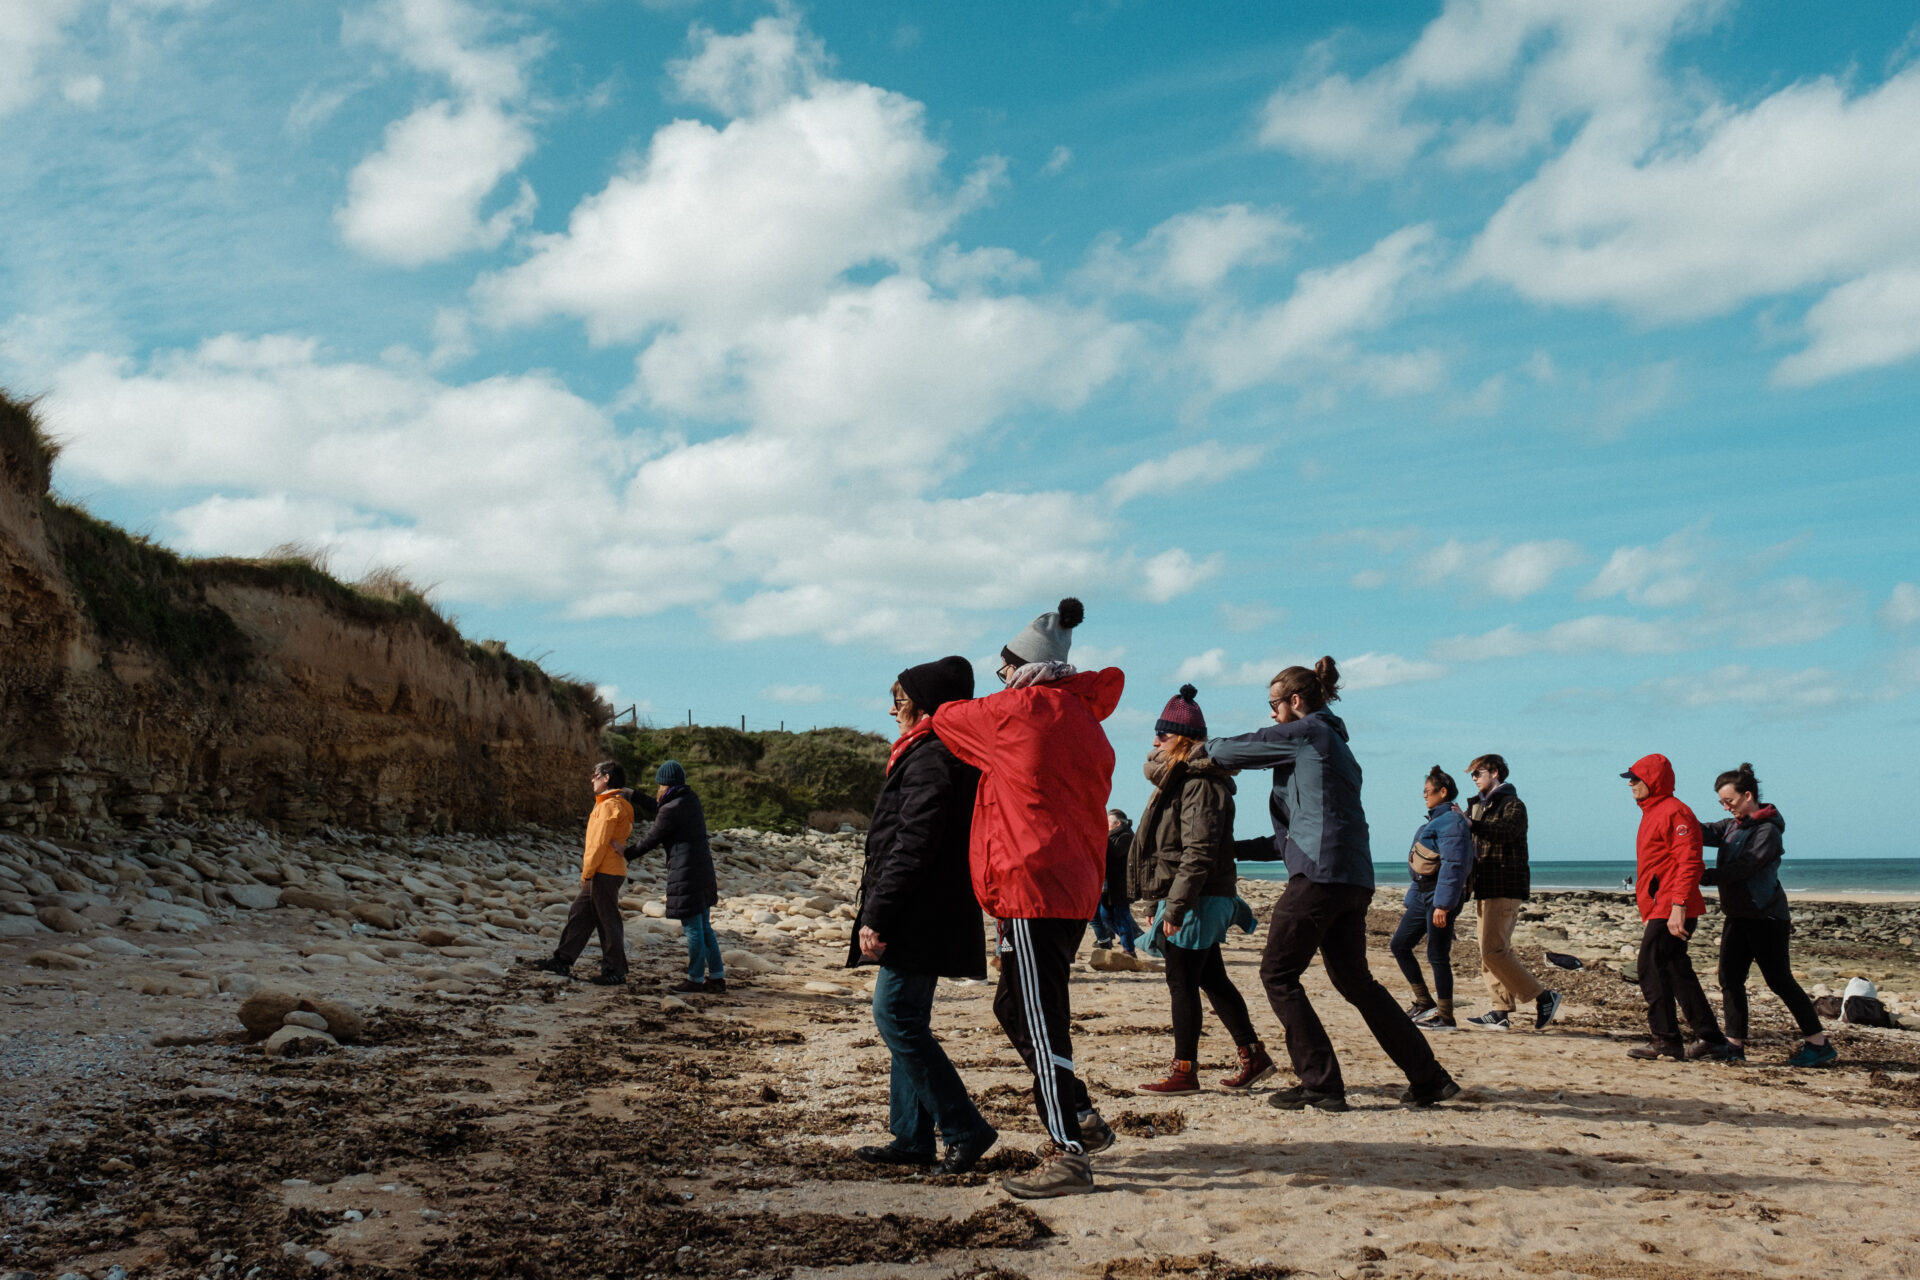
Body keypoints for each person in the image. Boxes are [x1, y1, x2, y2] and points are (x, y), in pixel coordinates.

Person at [931, 597, 1123, 1199]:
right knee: (1016, 1009)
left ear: (1019, 667)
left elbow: (945, 718)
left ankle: (1067, 1151)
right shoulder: (1082, 718)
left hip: (1033, 885)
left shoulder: (1020, 712)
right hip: (1071, 884)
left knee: (1041, 1021)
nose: (1001, 678)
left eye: (1003, 668)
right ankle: (1082, 1115)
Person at [1207, 657, 1459, 1111]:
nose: (1271, 715)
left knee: (1278, 974)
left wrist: (1196, 750)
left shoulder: (1309, 733)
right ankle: (1429, 1078)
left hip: (1321, 877)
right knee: (1355, 981)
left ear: (1295, 701)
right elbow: (1297, 833)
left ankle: (1321, 1084)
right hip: (1351, 877)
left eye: (1274, 705)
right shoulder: (1337, 748)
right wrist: (1230, 846)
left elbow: (1232, 750)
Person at [847, 656, 1000, 1175]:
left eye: (898, 700)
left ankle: (964, 1128)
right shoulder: (934, 752)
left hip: (920, 911)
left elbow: (912, 844)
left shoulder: (932, 756)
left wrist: (878, 913)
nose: (892, 710)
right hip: (926, 908)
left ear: (919, 705)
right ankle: (912, 1138)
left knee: (896, 1018)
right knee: (906, 1019)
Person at [1127, 685, 1274, 1094]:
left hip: (1199, 898)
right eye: (1156, 733)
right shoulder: (1180, 780)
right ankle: (1253, 1055)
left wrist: (1174, 909)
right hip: (1189, 894)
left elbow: (1198, 852)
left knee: (1182, 982)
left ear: (1186, 741)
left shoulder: (1200, 784)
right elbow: (1164, 847)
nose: (1155, 741)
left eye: (1164, 734)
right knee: (1212, 978)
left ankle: (1184, 1070)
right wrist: (1156, 900)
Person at [1701, 762, 1835, 1068]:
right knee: (1730, 978)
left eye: (1730, 801)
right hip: (1738, 915)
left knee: (1780, 980)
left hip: (1766, 917)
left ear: (1748, 795)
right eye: (1721, 802)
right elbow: (1704, 831)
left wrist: (1704, 875)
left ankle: (1819, 1044)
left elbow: (1745, 867)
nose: (1726, 807)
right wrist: (1674, 820)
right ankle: (1734, 1044)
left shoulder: (1767, 831)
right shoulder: (1733, 825)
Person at [1622, 754, 1735, 1061]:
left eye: (1635, 778)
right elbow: (1655, 867)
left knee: (1648, 967)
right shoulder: (1652, 812)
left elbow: (1690, 863)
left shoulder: (1676, 812)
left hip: (1673, 905)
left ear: (1653, 781)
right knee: (1676, 970)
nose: (1630, 784)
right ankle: (1711, 1039)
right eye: (1629, 779)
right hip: (1661, 906)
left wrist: (1678, 907)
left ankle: (1666, 1039)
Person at [1460, 755, 1562, 1031]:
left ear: (1494, 772)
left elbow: (1506, 831)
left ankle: (1544, 997)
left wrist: (1473, 824)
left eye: (1477, 772)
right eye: (1471, 774)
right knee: (1487, 951)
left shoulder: (1513, 804)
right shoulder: (1477, 807)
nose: (1473, 778)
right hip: (1483, 886)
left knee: (1494, 950)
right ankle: (1500, 1010)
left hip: (1505, 884)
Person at [534, 761, 635, 984]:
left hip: (604, 872)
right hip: (607, 870)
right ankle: (562, 960)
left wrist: (587, 873)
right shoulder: (613, 804)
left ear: (606, 777)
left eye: (595, 775)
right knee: (580, 914)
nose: (592, 779)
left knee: (607, 921)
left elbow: (599, 844)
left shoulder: (609, 806)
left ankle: (615, 970)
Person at [627, 760, 722, 994]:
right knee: (704, 927)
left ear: (664, 784)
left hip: (685, 873)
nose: (657, 789)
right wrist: (634, 795)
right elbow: (661, 807)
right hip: (703, 870)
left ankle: (695, 979)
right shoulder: (689, 799)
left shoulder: (670, 809)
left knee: (693, 929)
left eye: (658, 785)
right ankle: (718, 978)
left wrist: (625, 853)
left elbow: (651, 839)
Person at [1390, 766, 1474, 1031]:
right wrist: (1412, 899)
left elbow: (1454, 864)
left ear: (1443, 792)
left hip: (1440, 897)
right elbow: (1418, 868)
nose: (1424, 796)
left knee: (1437, 956)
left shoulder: (1452, 822)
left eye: (1428, 792)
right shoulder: (1432, 823)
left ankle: (1446, 1016)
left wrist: (1443, 904)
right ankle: (1424, 1002)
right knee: (1399, 945)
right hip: (1422, 896)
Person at [1092, 809, 1140, 958]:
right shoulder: (1112, 837)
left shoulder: (1126, 836)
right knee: (1105, 916)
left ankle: (1129, 948)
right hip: (1109, 886)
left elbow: (1114, 854)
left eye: (1108, 823)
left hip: (1121, 886)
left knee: (1122, 916)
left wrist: (1100, 839)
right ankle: (1128, 940)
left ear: (1117, 823)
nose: (1105, 826)